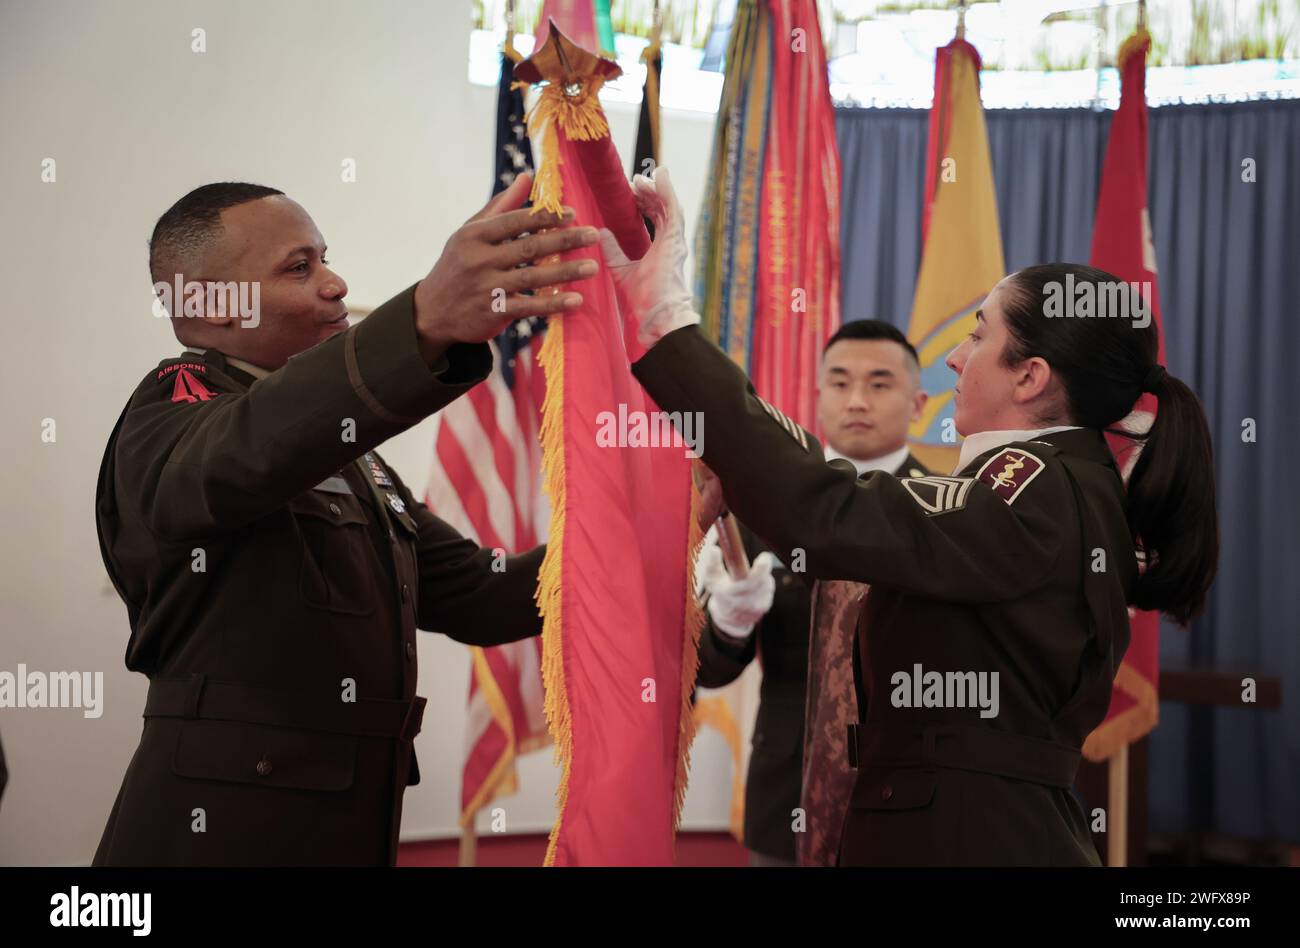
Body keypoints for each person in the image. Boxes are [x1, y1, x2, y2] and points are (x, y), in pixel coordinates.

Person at [605, 168, 1219, 865]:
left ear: (1030, 377)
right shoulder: (1055, 481)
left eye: (978, 336)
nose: (954, 358)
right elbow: (835, 504)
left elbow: (830, 511)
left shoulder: (1036, 485)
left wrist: (666, 318)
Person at [94, 174, 598, 865]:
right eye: (300, 268)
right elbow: (247, 451)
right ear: (206, 305)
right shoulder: (170, 413)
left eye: (324, 257)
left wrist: (637, 523)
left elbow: (485, 596)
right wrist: (420, 320)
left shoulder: (348, 455)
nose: (334, 284)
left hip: (346, 829)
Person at [693, 320, 931, 866]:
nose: (856, 400)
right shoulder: (765, 508)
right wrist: (730, 621)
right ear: (818, 394)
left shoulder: (948, 509)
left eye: (878, 384)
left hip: (913, 795)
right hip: (787, 794)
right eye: (840, 382)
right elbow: (709, 670)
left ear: (917, 403)